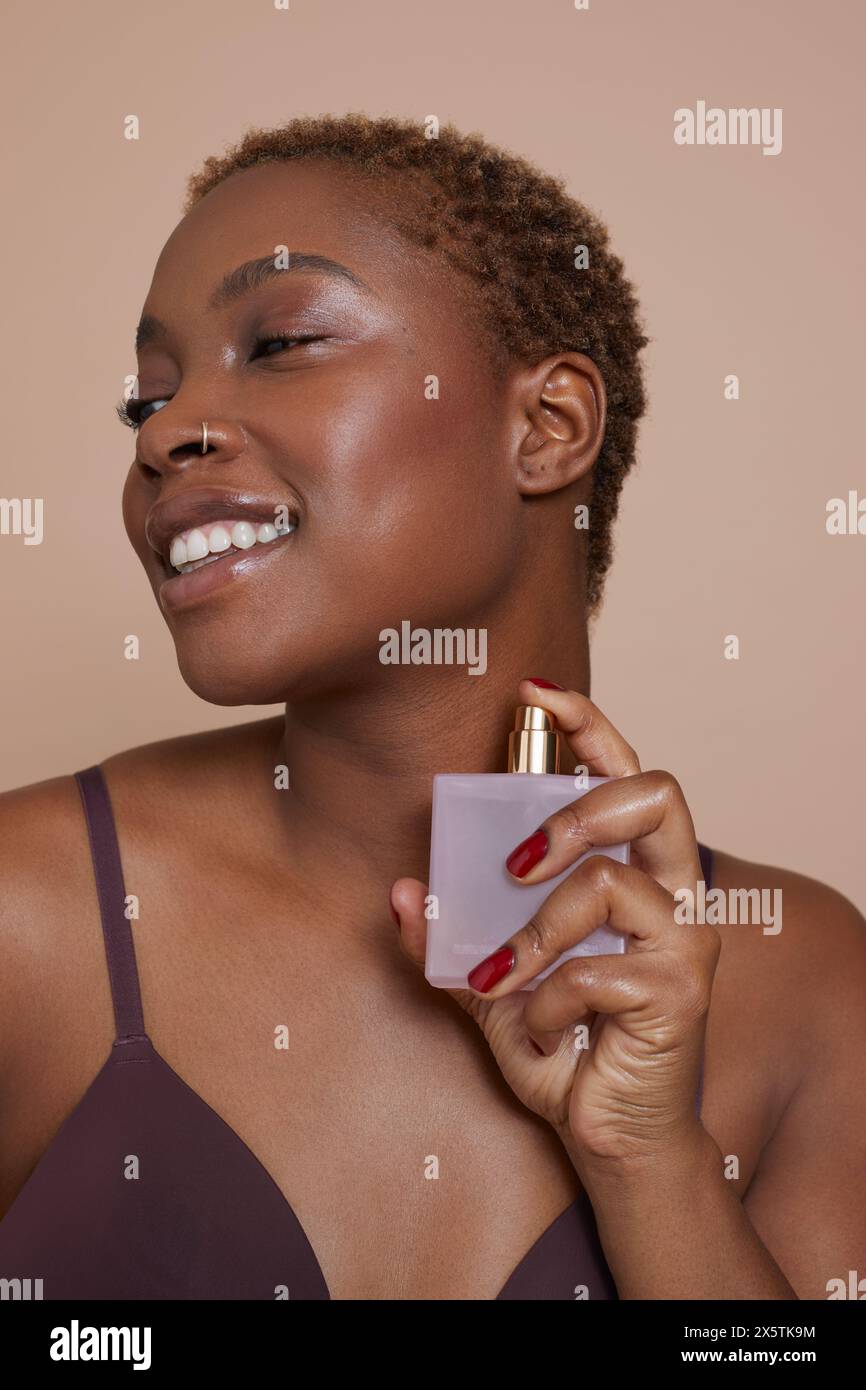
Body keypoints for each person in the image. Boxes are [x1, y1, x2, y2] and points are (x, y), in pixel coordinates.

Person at [1, 114, 863, 1300]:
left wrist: (647, 1161)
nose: (166, 430)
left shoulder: (801, 972)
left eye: (284, 340)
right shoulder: (28, 914)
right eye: (144, 396)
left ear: (547, 427)